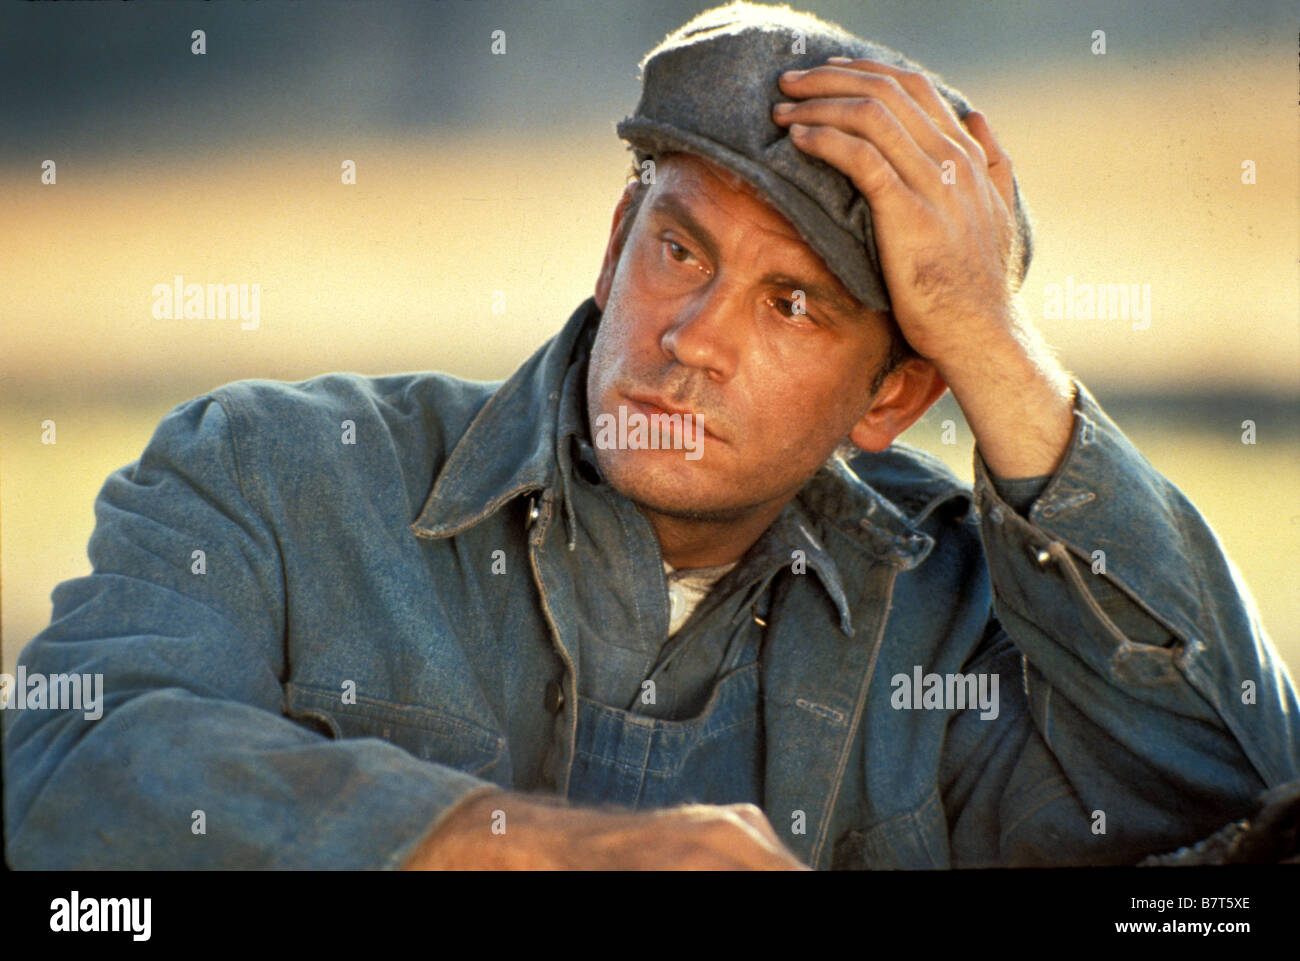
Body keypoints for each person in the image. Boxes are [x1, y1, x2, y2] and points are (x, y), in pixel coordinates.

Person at [5, 1, 1297, 870]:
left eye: (793, 302)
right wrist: (545, 850)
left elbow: (1234, 792)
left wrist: (993, 343)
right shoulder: (277, 471)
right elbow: (59, 760)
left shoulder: (960, 620)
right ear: (618, 244)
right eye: (680, 248)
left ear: (892, 398)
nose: (691, 335)